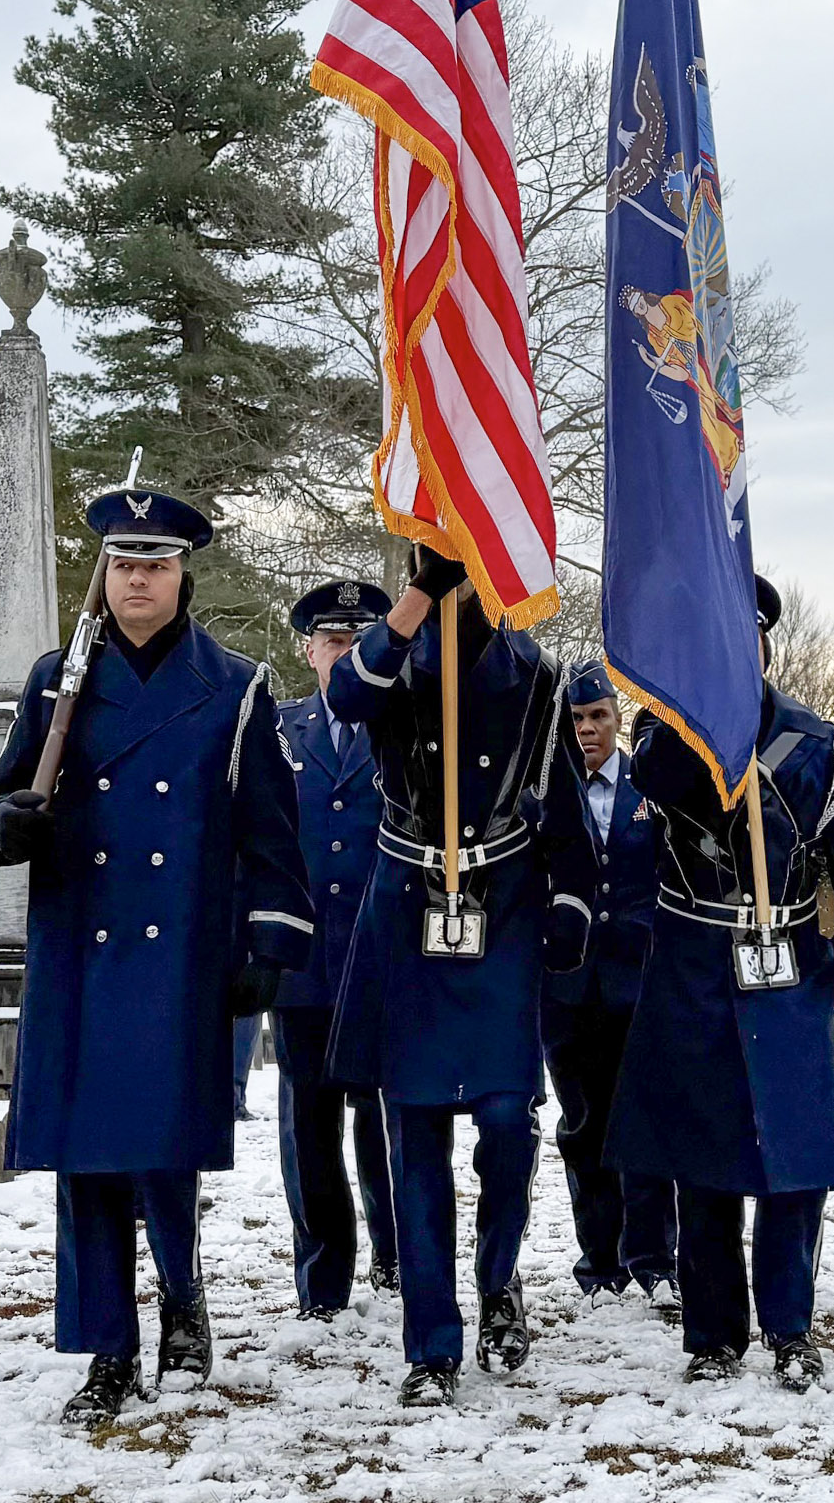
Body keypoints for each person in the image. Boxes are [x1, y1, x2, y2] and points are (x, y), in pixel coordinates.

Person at [0, 485, 313, 1426]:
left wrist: (269, 942)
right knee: (89, 1160)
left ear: (182, 575)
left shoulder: (237, 684)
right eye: (123, 564)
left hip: (181, 950)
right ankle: (107, 1351)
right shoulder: (57, 678)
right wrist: (13, 821)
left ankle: (183, 1296)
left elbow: (269, 834)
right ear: (106, 573)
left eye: (155, 565)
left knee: (162, 1149)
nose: (137, 580)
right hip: (83, 944)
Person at [604, 577, 834, 1392]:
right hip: (694, 963)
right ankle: (712, 1335)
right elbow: (660, 785)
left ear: (765, 642)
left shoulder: (813, 739)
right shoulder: (665, 735)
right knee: (706, 1162)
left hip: (790, 963)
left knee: (795, 1160)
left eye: (748, 638)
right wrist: (704, 720)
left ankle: (791, 1327)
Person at [325, 548, 594, 1409]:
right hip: (410, 905)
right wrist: (414, 599)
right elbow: (347, 697)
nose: (464, 569)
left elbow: (562, 804)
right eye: (448, 554)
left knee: (509, 1120)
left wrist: (573, 903)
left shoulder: (538, 674)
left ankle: (499, 1276)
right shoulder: (393, 653)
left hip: (501, 905)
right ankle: (432, 1343)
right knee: (414, 1130)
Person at [272, 578, 400, 1318]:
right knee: (310, 1127)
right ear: (311, 651)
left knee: (391, 1120)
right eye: (334, 643)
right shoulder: (279, 732)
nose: (346, 654)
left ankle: (395, 1249)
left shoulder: (409, 731)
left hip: (385, 960)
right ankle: (322, 1277)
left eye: (361, 642)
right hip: (306, 963)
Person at [540, 663, 679, 1311]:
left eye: (598, 716)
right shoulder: (543, 791)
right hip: (568, 987)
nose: (588, 729)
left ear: (617, 717)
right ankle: (600, 1263)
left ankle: (654, 1258)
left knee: (648, 1122)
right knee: (584, 1127)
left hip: (641, 980)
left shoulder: (650, 785)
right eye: (576, 719)